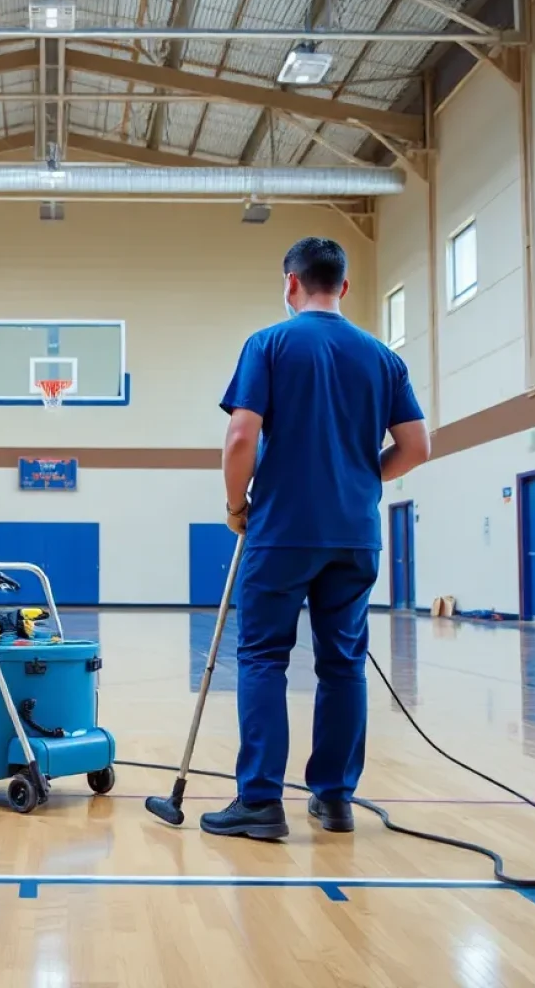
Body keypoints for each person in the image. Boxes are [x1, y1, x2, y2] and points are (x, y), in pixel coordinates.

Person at [202, 237, 430, 841]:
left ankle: (260, 803)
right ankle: (334, 801)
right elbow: (416, 447)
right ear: (344, 287)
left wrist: (235, 504)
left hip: (283, 531)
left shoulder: (269, 344)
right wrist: (360, 478)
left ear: (290, 283)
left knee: (262, 659)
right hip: (354, 535)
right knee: (342, 665)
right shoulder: (383, 357)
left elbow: (239, 438)